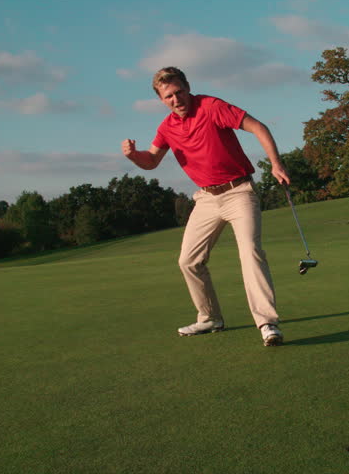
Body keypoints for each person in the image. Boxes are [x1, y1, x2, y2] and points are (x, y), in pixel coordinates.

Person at [121, 67, 290, 347]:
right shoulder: (166, 127)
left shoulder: (212, 106)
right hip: (206, 199)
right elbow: (151, 161)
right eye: (168, 96)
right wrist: (132, 156)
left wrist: (276, 163)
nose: (176, 100)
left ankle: (267, 323)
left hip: (239, 192)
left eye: (179, 92)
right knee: (188, 261)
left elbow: (258, 127)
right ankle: (210, 317)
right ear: (161, 100)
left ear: (188, 87)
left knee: (250, 252)